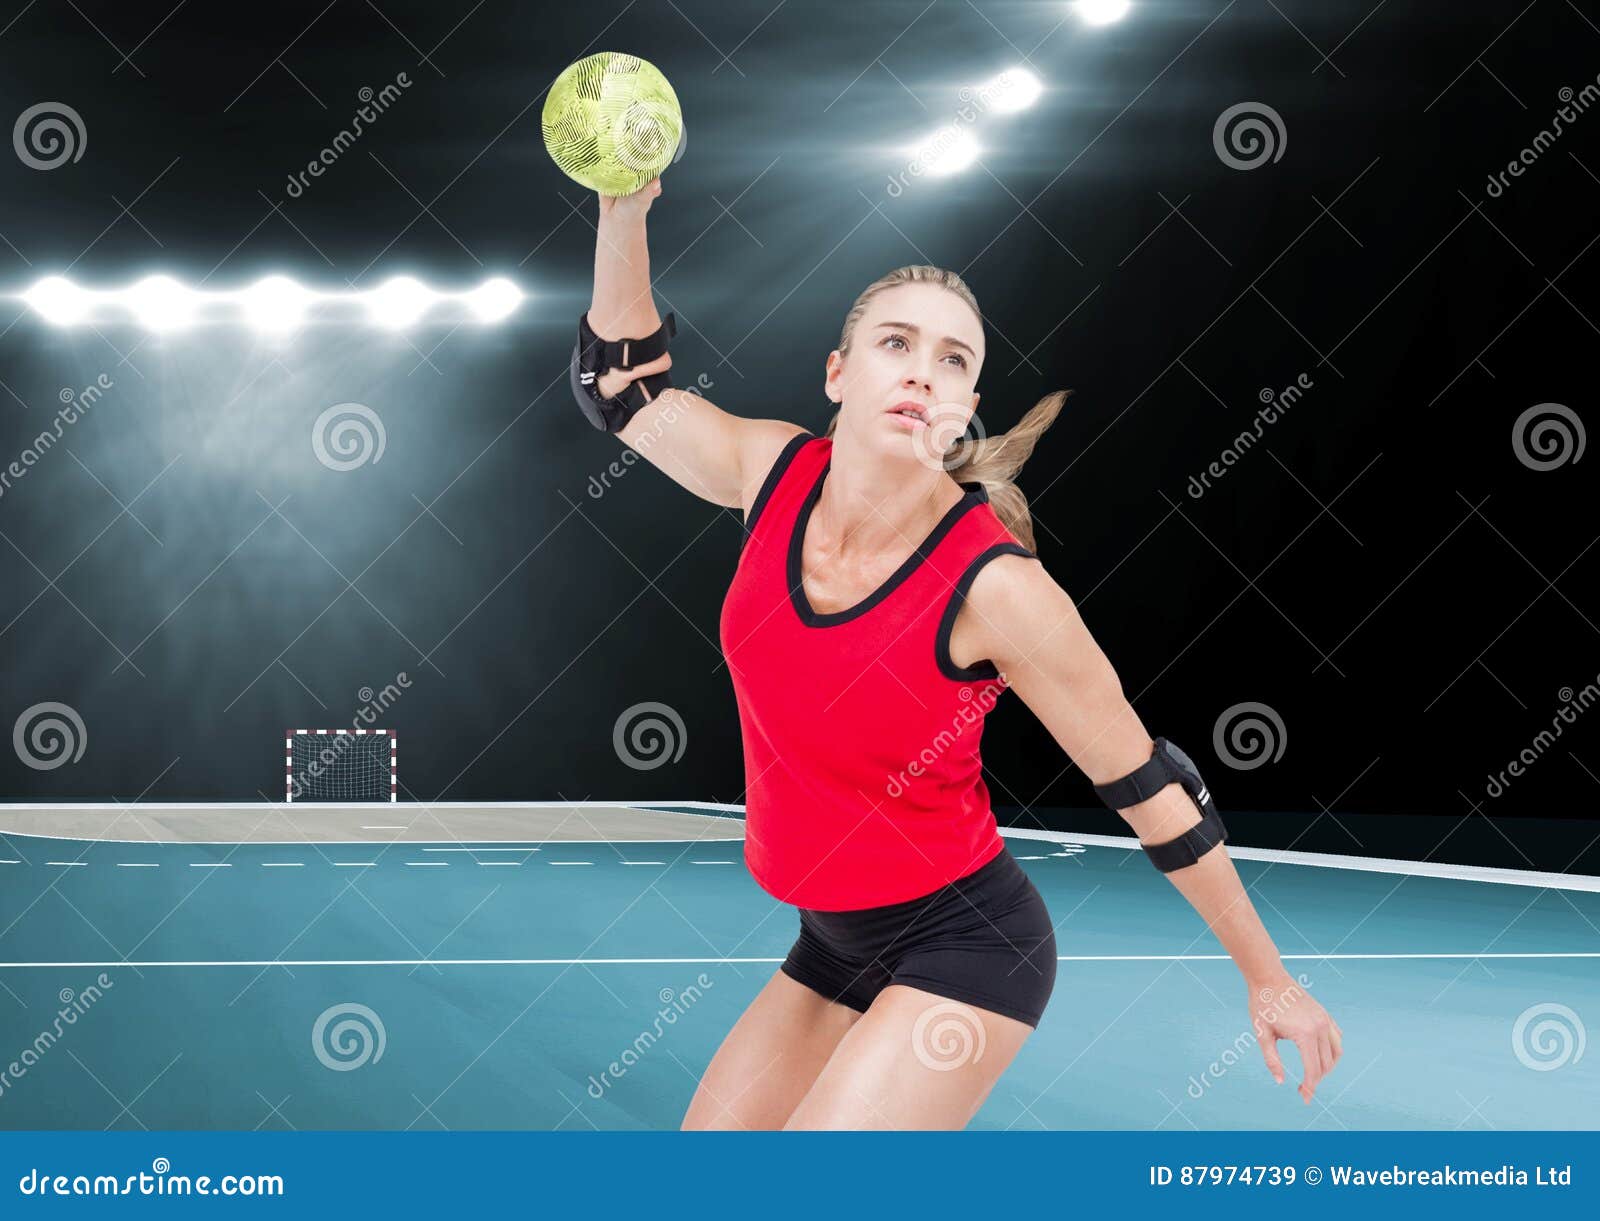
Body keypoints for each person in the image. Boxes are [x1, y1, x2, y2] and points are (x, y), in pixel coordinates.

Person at [580, 175, 1342, 1130]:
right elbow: (621, 385)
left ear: (965, 405)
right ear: (837, 373)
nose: (920, 373)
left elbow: (1152, 784)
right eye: (895, 344)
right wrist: (623, 208)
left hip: (967, 942)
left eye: (951, 361)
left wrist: (1269, 979)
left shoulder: (997, 590)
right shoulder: (769, 471)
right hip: (830, 943)